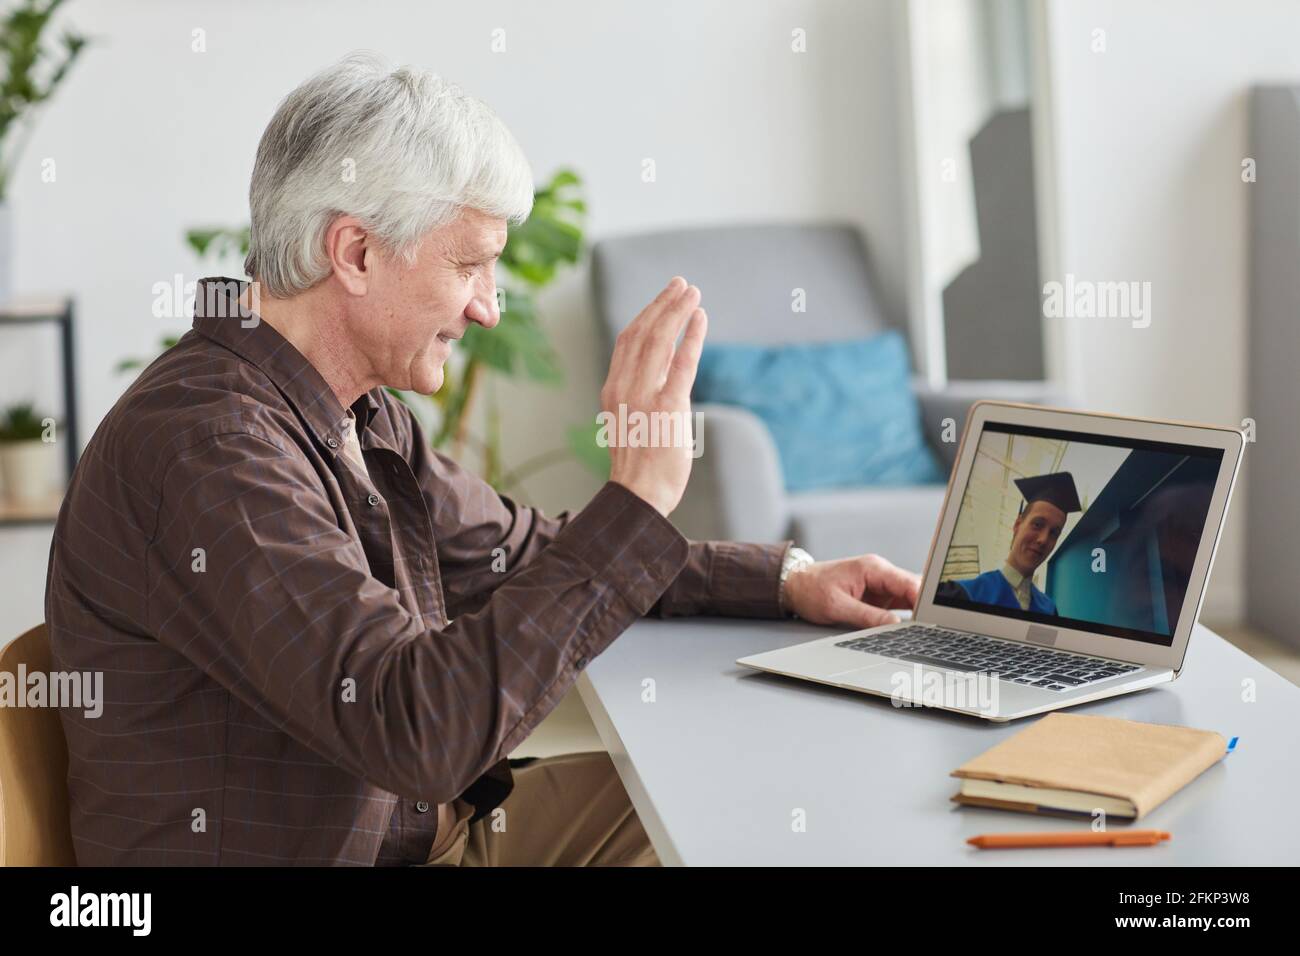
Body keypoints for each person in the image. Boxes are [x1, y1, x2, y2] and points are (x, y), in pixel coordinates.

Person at [45, 54, 921, 867]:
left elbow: (518, 549)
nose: (489, 310)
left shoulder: (356, 410)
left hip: (432, 833)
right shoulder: (209, 450)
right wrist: (638, 499)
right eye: (471, 265)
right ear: (354, 252)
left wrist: (782, 580)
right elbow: (416, 731)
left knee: (719, 794)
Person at [938, 471, 1082, 615]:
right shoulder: (964, 595)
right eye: (1037, 524)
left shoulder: (1049, 610)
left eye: (1054, 533)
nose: (1043, 539)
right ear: (1018, 525)